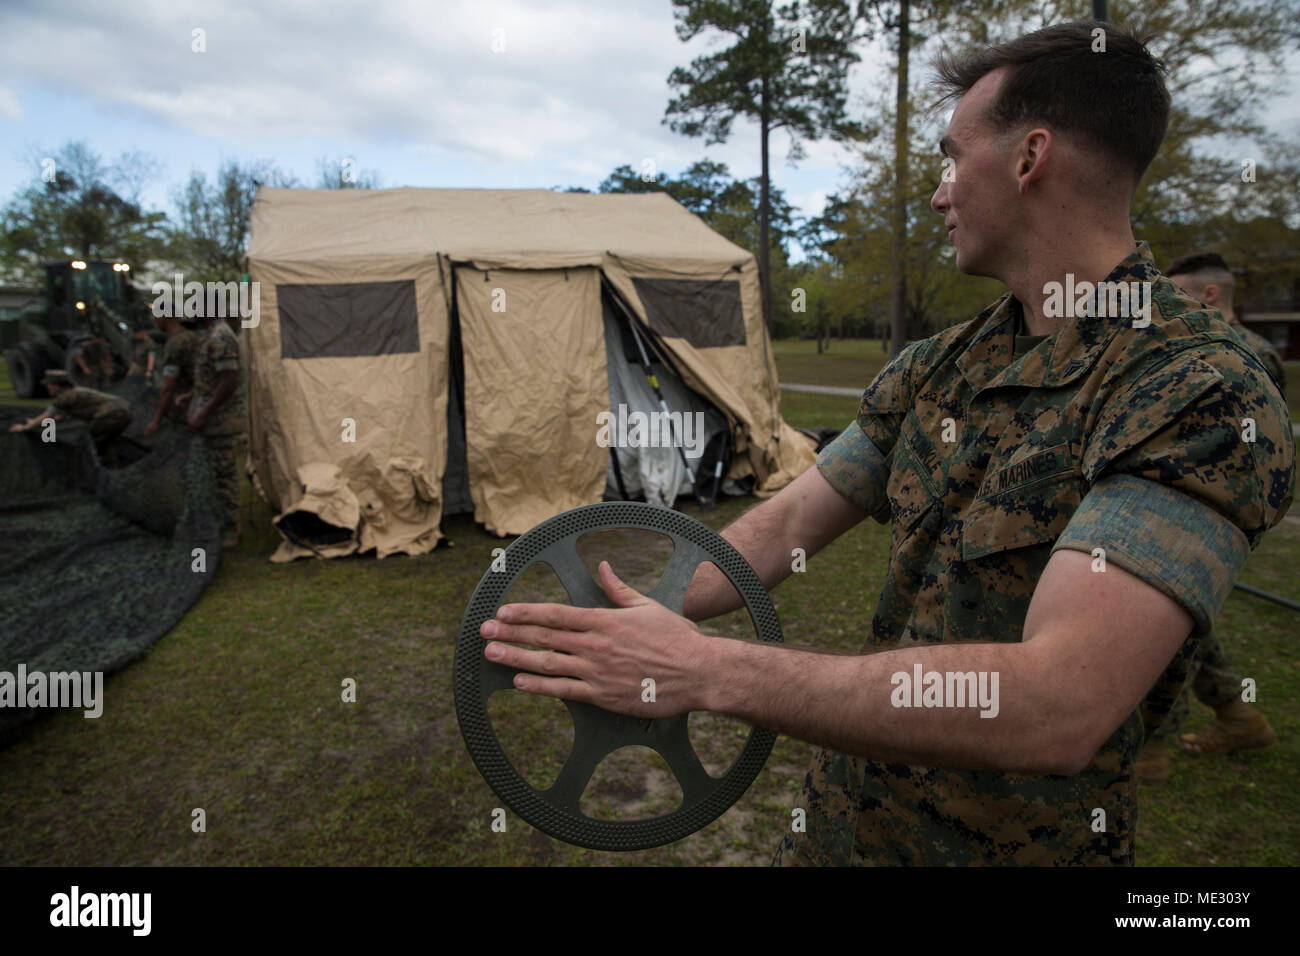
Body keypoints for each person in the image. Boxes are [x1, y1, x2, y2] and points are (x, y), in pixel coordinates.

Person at [476, 21, 1294, 866]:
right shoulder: (938, 366)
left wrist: (708, 672)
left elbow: (1062, 703)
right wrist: (624, 611)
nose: (940, 195)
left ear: (1030, 158)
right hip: (845, 834)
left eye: (951, 158)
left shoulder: (1198, 387)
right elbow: (793, 522)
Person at [1132, 251, 1283, 782]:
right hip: (1196, 502)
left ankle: (1149, 748)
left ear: (1211, 296)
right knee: (1188, 617)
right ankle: (1237, 714)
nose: (1166, 306)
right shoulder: (1209, 347)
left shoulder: (1240, 354)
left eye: (1177, 293)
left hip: (1206, 510)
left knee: (1161, 619)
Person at [1165, 251, 1285, 392]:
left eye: (1177, 295)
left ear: (1210, 294)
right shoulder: (1194, 343)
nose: (1170, 303)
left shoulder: (1252, 352)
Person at [183, 311, 244, 548]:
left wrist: (203, 412)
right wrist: (192, 395)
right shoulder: (210, 336)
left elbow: (228, 381)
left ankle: (231, 528)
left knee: (223, 476)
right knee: (210, 474)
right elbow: (212, 379)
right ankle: (218, 524)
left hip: (220, 421)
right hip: (210, 419)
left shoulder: (222, 338)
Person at [8, 369, 131, 464]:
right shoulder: (74, 393)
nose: (47, 387)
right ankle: (110, 464)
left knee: (88, 441)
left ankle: (91, 468)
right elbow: (56, 417)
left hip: (110, 414)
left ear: (56, 386)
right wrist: (35, 422)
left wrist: (25, 427)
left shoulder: (64, 397)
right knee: (104, 441)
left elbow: (47, 416)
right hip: (123, 412)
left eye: (49, 385)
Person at [143, 313, 199, 439]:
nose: (156, 321)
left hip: (183, 406)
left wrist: (156, 421)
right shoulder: (193, 336)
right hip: (199, 400)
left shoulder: (174, 344)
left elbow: (169, 387)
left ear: (164, 316)